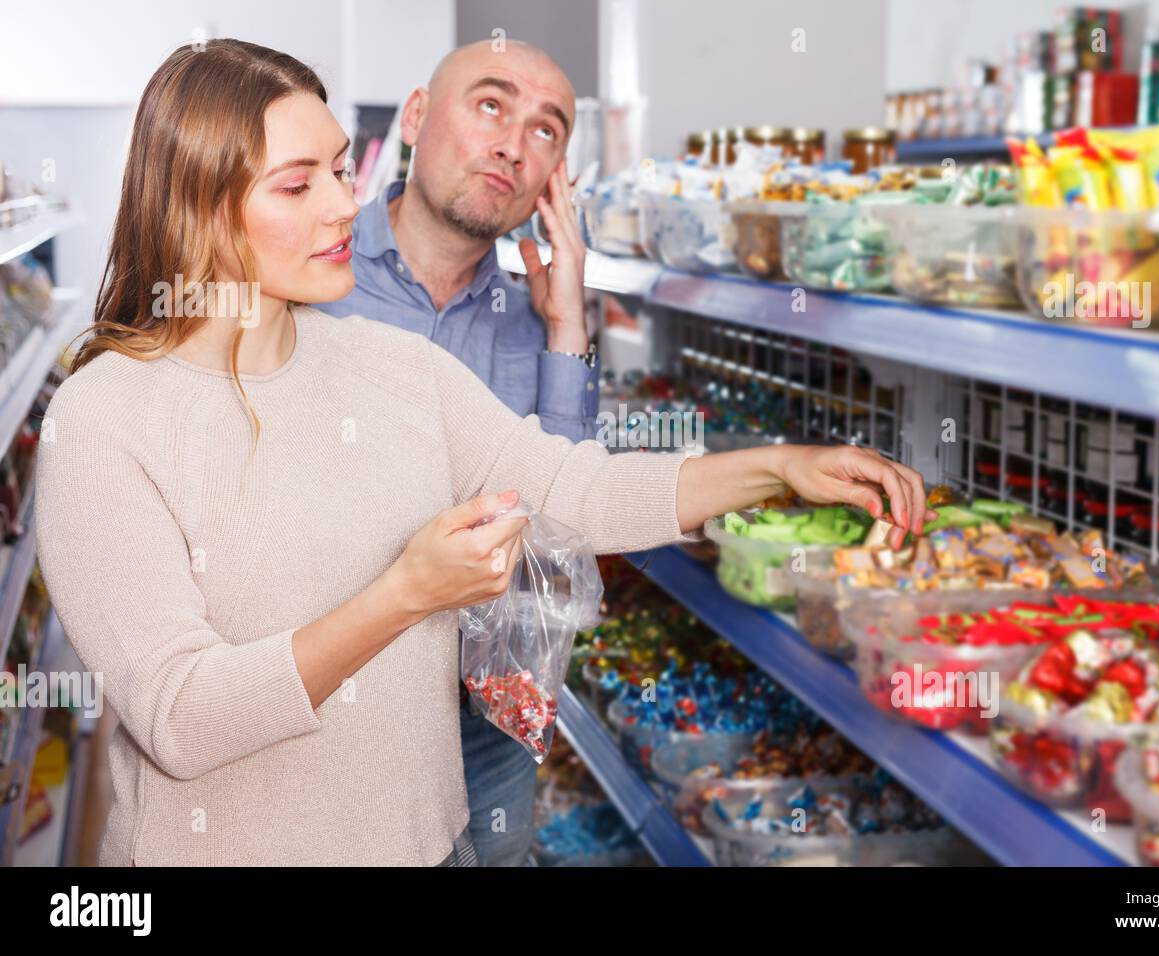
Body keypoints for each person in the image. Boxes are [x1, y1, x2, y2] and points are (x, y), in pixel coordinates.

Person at [33, 39, 932, 867]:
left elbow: (568, 487)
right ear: (197, 200)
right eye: (297, 184)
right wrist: (404, 596)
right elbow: (181, 716)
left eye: (343, 170)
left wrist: (779, 467)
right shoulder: (107, 419)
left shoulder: (395, 367)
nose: (346, 203)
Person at [312, 39, 598, 866]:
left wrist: (567, 328)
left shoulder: (540, 323)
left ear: (555, 180)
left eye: (547, 130)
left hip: (485, 718)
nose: (514, 142)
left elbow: (563, 523)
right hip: (328, 700)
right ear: (414, 117)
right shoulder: (306, 271)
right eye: (490, 105)